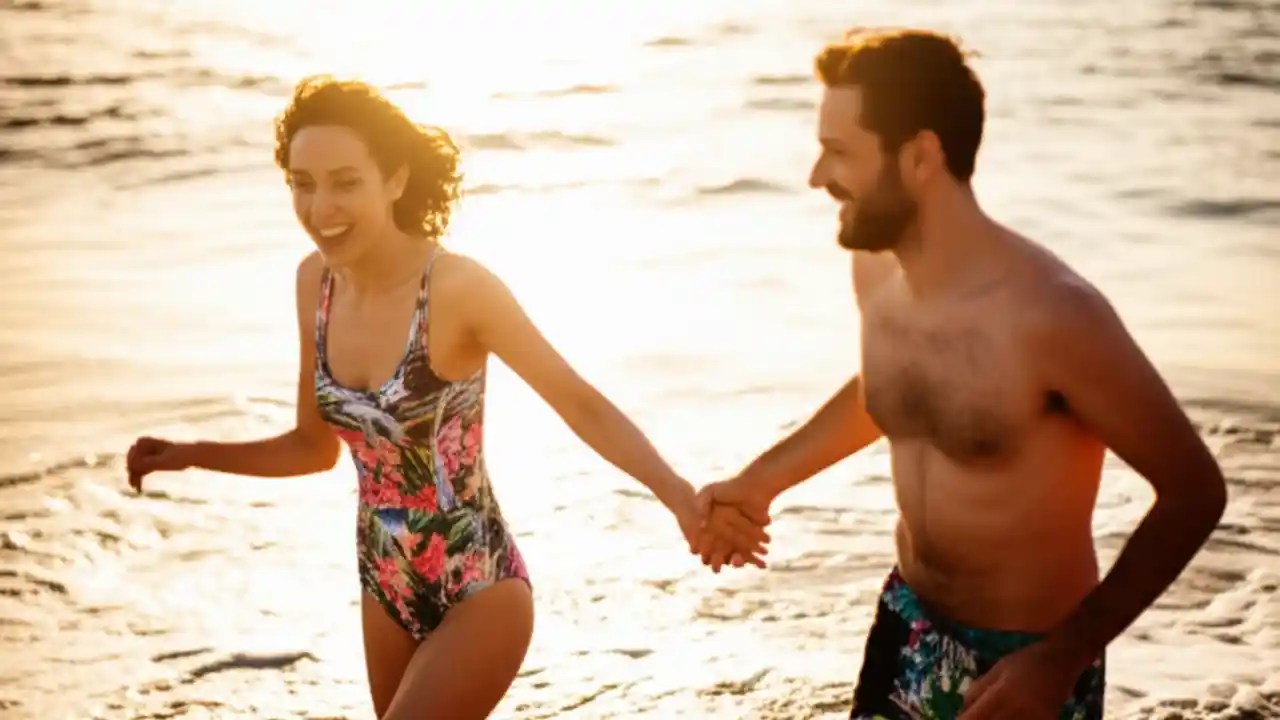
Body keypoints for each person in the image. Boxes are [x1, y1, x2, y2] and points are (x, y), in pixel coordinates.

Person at [124, 76, 767, 720]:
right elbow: (312, 448)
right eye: (303, 183)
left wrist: (682, 498)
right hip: (384, 583)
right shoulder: (314, 284)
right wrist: (190, 454)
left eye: (346, 182)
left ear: (396, 180)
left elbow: (578, 401)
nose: (321, 209)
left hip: (479, 585)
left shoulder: (456, 288)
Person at [695, 28, 1228, 720]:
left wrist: (1061, 658)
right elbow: (898, 390)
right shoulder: (878, 267)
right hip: (906, 620)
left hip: (1024, 667)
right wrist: (762, 481)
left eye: (838, 152)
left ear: (919, 156)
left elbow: (1195, 492)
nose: (817, 177)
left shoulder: (1053, 316)